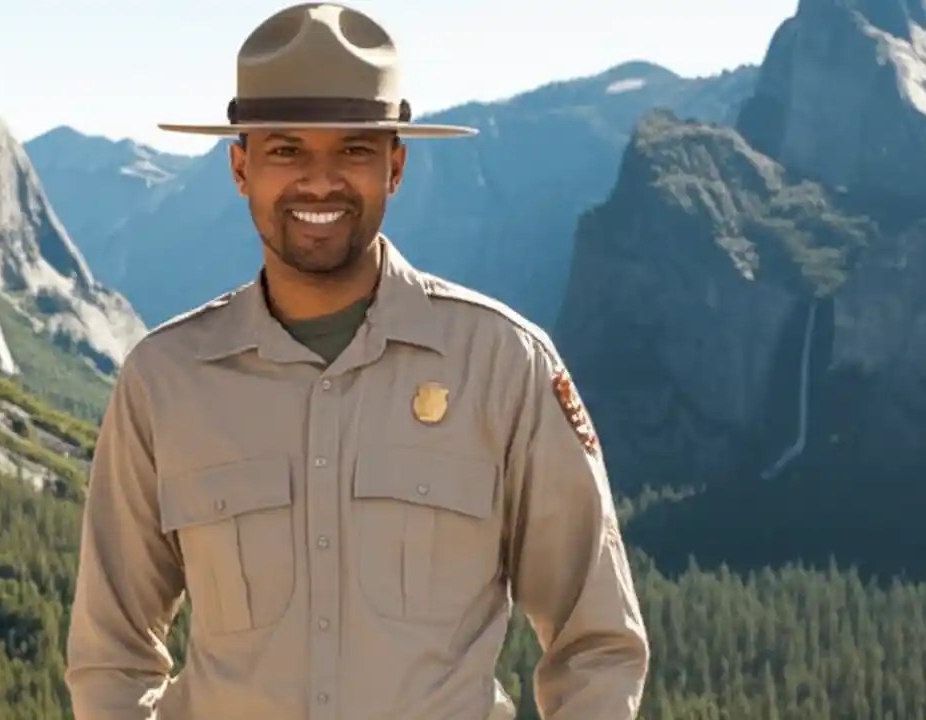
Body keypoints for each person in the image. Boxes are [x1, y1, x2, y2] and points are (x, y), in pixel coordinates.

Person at [63, 3, 650, 718]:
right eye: (286, 150)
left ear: (394, 165)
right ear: (241, 167)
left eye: (353, 149)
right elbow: (110, 653)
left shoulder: (504, 365)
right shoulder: (163, 382)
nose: (320, 181)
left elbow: (596, 644)